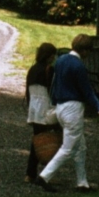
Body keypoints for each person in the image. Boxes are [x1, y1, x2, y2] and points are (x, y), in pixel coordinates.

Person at [35, 34, 99, 192]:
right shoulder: (78, 66)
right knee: (68, 148)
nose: (88, 55)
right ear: (84, 51)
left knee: (80, 146)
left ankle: (82, 182)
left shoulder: (61, 60)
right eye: (88, 51)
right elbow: (87, 91)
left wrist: (54, 103)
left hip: (61, 107)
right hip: (73, 109)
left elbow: (55, 84)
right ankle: (44, 176)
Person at [25, 42, 60, 182]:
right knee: (51, 140)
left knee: (37, 140)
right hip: (46, 109)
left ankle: (31, 173)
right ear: (49, 56)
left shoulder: (32, 69)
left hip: (34, 109)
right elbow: (53, 91)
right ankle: (44, 174)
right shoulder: (48, 70)